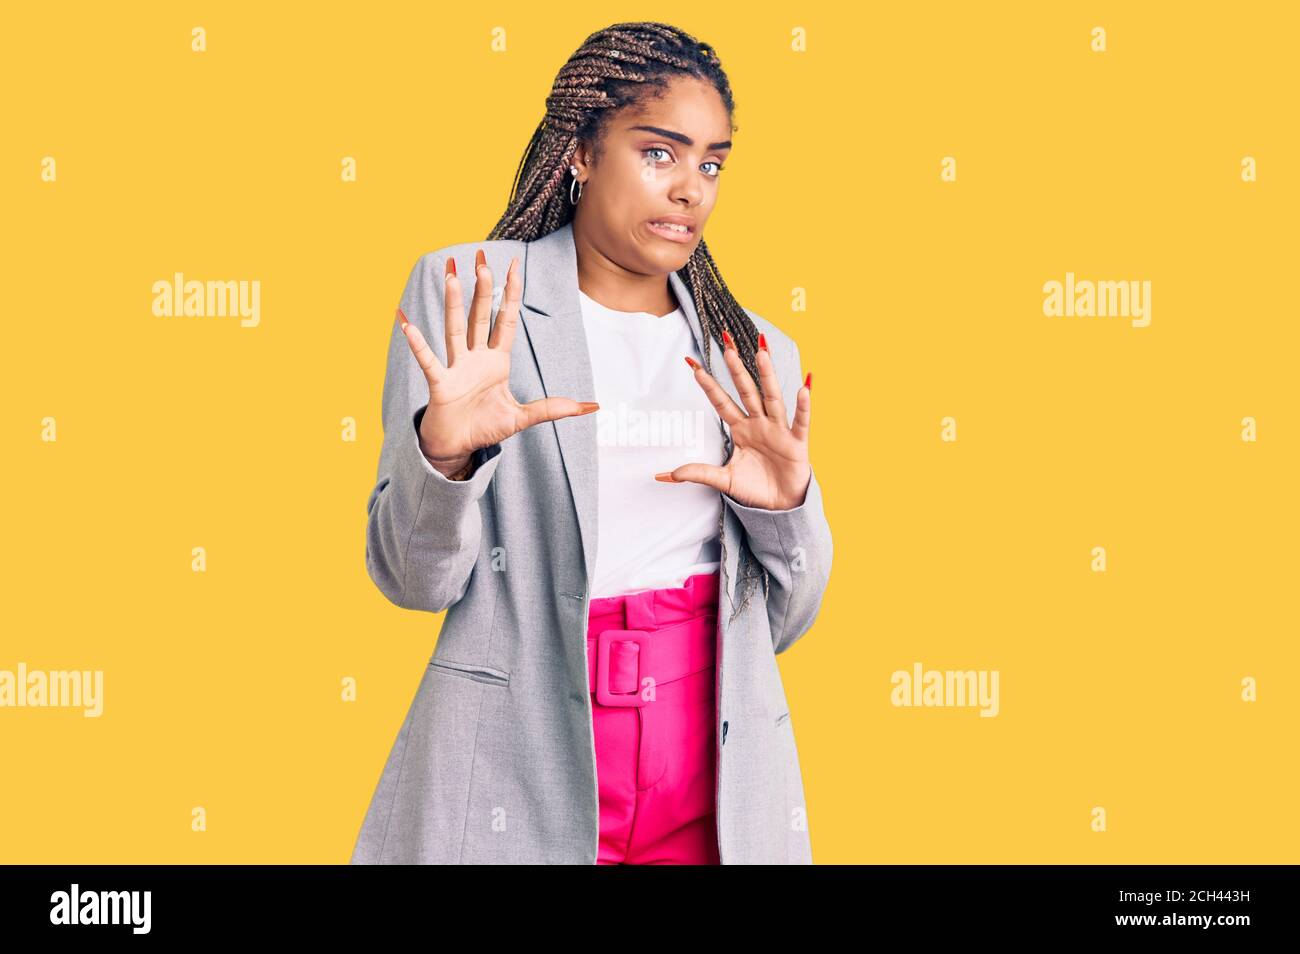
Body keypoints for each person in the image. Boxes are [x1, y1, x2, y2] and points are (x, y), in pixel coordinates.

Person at [351, 21, 832, 865]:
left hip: (711, 772)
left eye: (711, 162)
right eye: (660, 153)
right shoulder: (473, 295)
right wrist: (445, 456)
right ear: (579, 151)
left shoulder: (754, 355)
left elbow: (781, 626)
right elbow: (414, 581)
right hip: (525, 753)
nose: (691, 189)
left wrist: (784, 511)